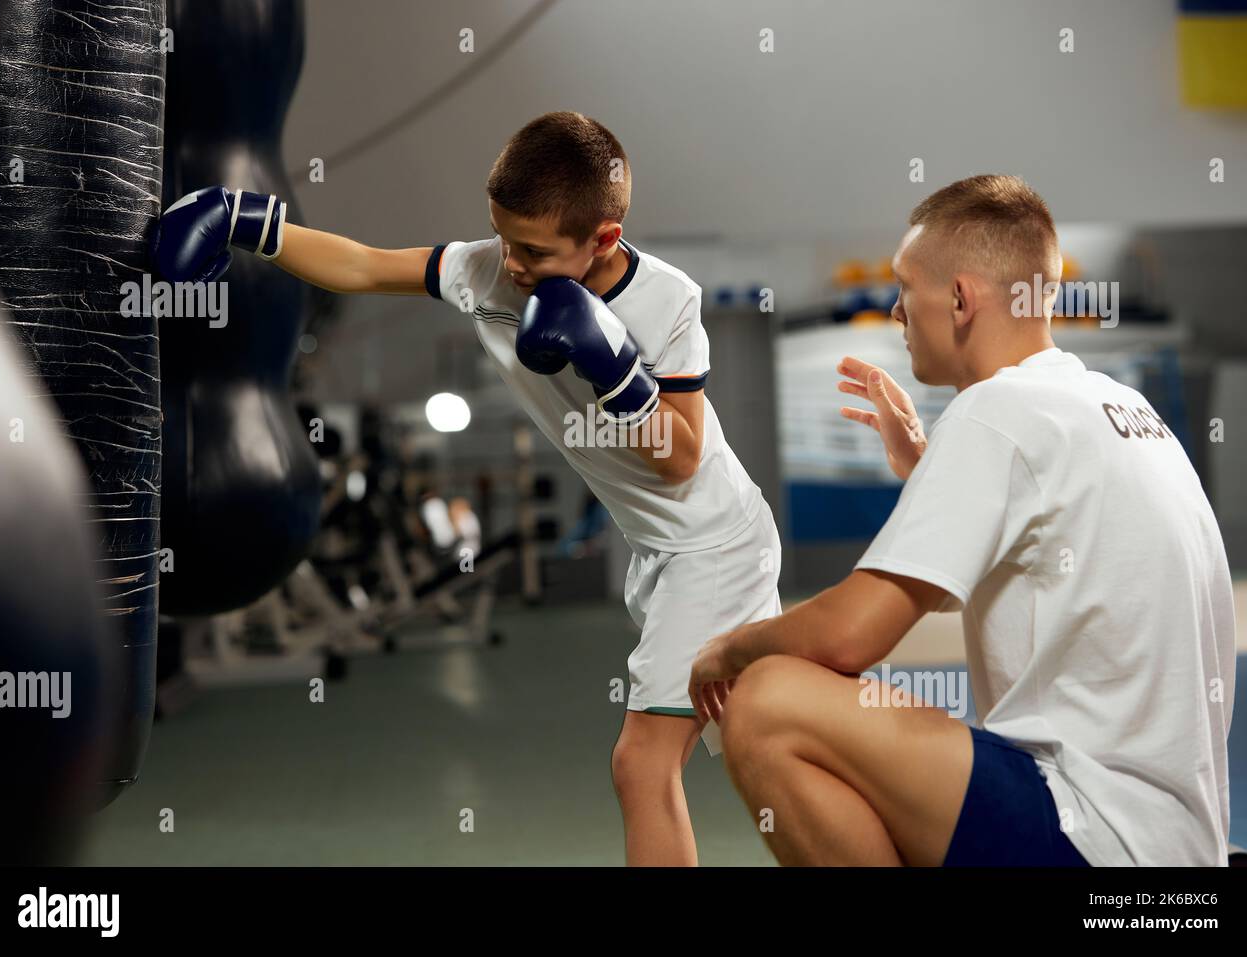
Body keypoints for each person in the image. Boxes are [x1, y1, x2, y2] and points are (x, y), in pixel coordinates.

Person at [152, 111, 781, 866]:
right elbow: (360, 265)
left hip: (712, 542)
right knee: (765, 742)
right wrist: (244, 223)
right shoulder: (485, 269)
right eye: (503, 236)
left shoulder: (669, 300)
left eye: (535, 251)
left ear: (604, 239)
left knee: (642, 763)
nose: (511, 264)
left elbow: (678, 460)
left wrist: (611, 364)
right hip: (659, 549)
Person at [689, 175, 1235, 867]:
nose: (894, 311)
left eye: (905, 287)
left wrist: (729, 648)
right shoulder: (1113, 406)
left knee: (769, 700)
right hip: (1177, 857)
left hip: (1094, 841)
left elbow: (847, 637)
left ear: (958, 298)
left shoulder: (995, 411)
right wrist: (926, 468)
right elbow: (1003, 571)